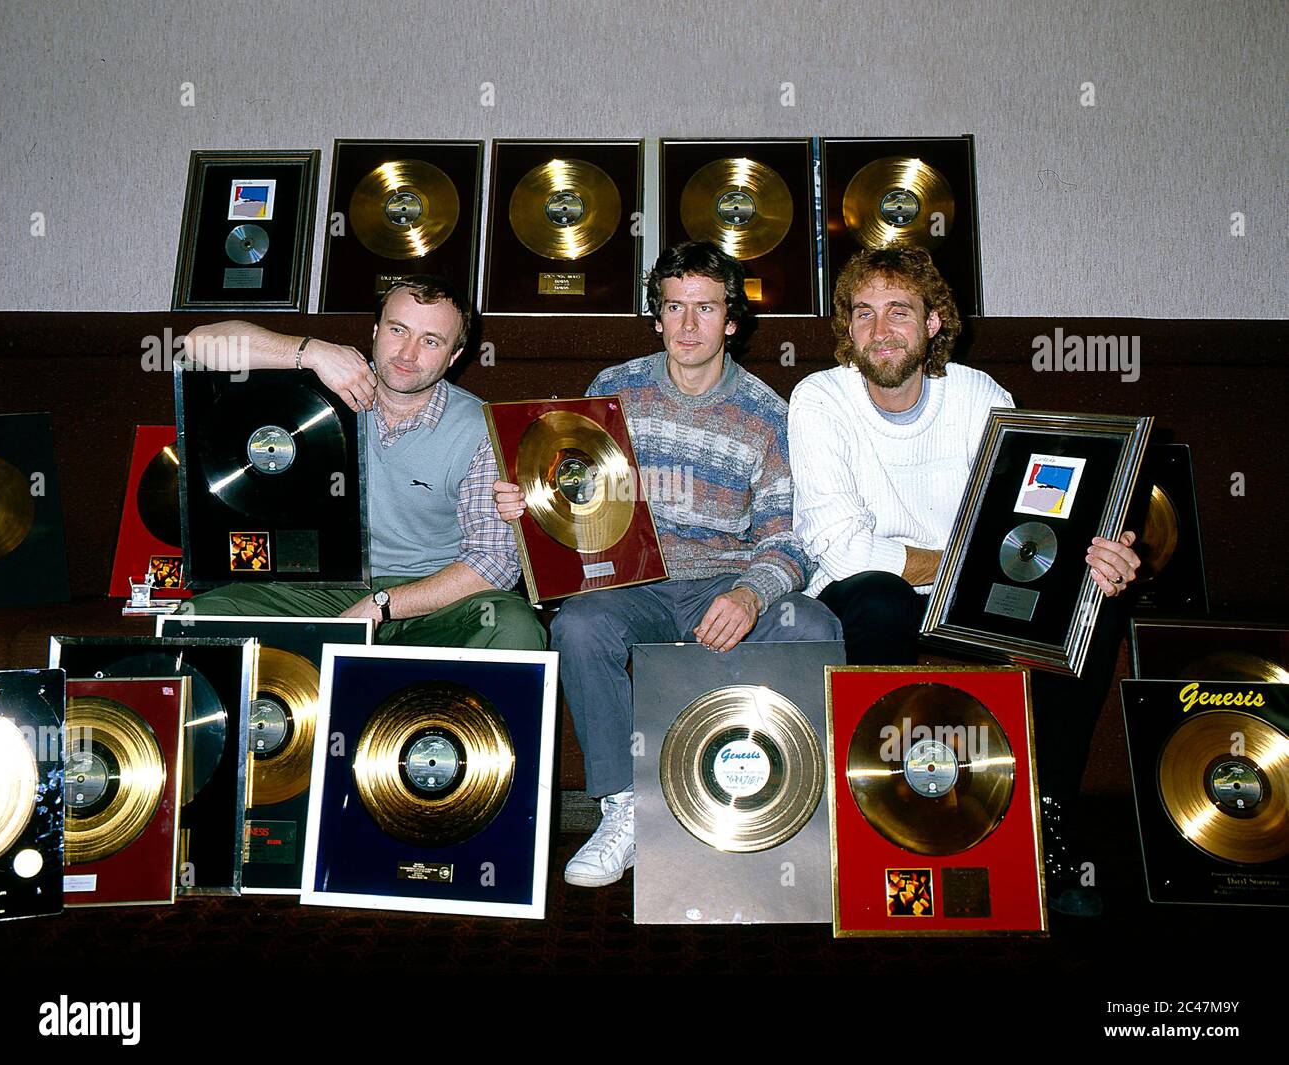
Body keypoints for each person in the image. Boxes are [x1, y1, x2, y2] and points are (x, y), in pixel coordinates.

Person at [789, 246, 1139, 915]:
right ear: (847, 327)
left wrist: (1096, 553)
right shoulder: (819, 397)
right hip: (865, 597)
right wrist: (967, 564)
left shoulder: (980, 396)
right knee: (881, 594)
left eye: (899, 311)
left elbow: (1032, 520)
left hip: (972, 598)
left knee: (1090, 610)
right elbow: (841, 547)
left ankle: (1049, 830)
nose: (880, 328)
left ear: (933, 323)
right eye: (863, 313)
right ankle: (880, 828)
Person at [495, 242, 842, 887]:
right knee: (580, 623)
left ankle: (793, 805)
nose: (688, 326)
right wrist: (529, 507)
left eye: (705, 309)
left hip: (725, 580)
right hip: (638, 587)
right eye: (674, 308)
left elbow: (791, 539)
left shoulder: (769, 414)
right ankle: (623, 808)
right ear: (656, 316)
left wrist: (750, 594)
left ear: (731, 320)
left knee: (814, 626)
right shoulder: (614, 390)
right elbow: (578, 507)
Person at [178, 277, 544, 651]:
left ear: (454, 356)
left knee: (513, 626)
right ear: (375, 329)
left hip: (436, 598)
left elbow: (494, 562)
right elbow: (196, 344)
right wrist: (311, 352)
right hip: (325, 590)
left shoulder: (481, 427)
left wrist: (382, 605)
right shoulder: (322, 382)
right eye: (397, 330)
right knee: (202, 615)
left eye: (430, 341)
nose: (407, 353)